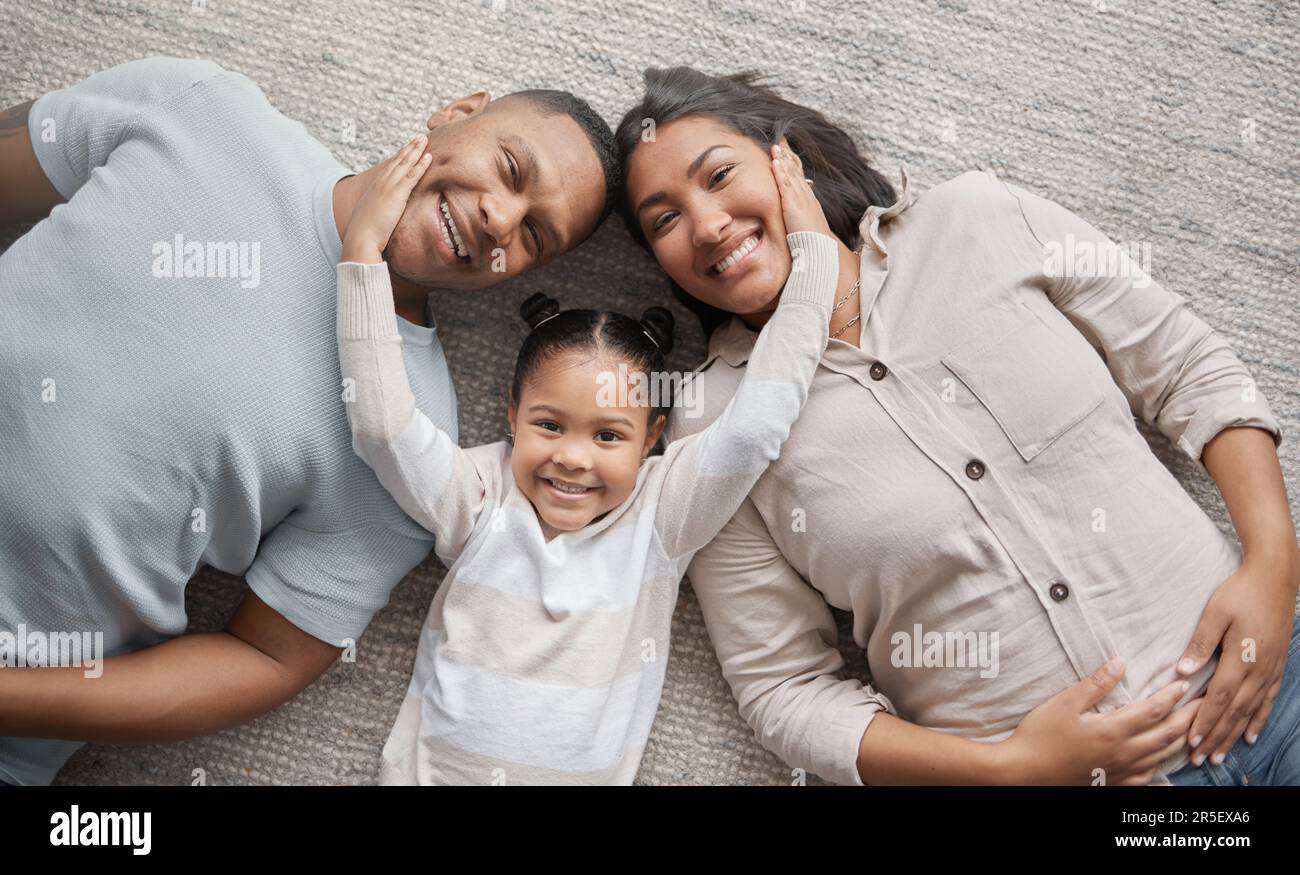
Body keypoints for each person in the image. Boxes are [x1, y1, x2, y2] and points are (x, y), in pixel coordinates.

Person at [617, 65, 1300, 785]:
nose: (707, 223)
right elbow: (783, 690)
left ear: (791, 160)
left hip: (1273, 684)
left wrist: (1274, 562)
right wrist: (1003, 767)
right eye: (665, 219)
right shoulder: (711, 422)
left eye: (719, 175)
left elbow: (1187, 366)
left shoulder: (975, 218)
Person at [0, 56, 617, 785]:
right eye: (510, 168)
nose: (500, 219)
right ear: (458, 111)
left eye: (535, 237)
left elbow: (265, 658)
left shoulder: (407, 436)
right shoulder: (204, 108)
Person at [333, 134, 838, 783]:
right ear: (512, 415)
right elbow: (381, 424)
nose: (572, 458)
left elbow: (755, 425)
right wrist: (362, 255)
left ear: (654, 435)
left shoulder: (663, 514)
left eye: (608, 436)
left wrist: (813, 257)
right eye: (548, 424)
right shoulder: (481, 493)